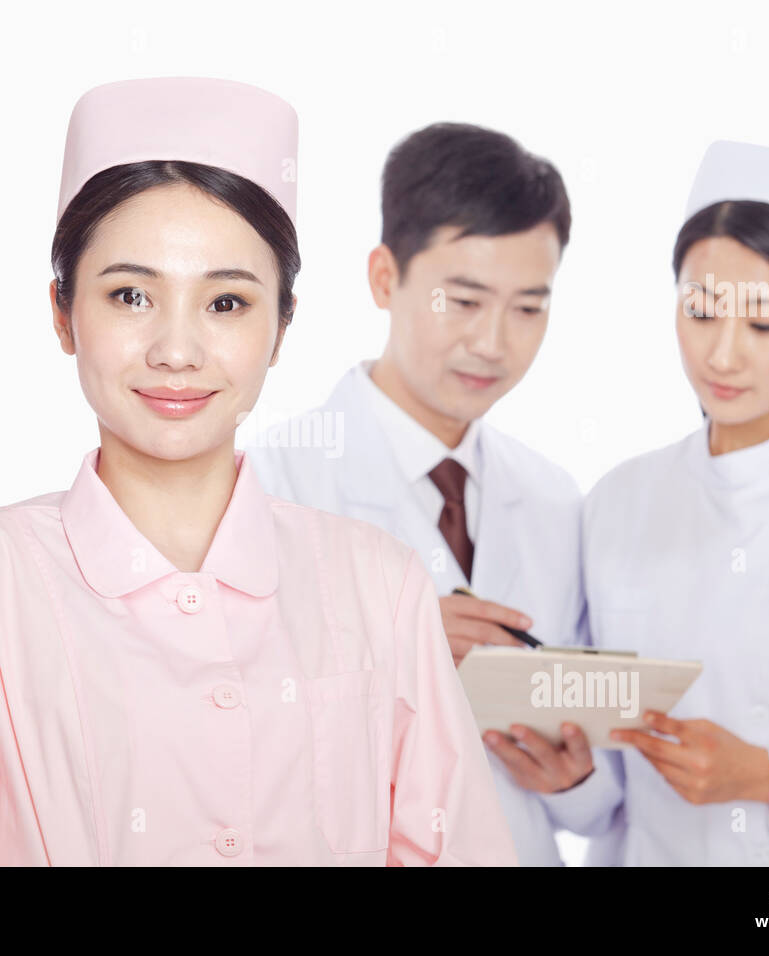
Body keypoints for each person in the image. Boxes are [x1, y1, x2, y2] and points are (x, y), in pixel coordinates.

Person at [0, 77, 514, 866]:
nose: (177, 350)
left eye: (227, 304)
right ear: (63, 313)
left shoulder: (380, 585)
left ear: (282, 327)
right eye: (132, 295)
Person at [506, 140, 769, 865]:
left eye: (765, 323)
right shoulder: (621, 499)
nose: (722, 355)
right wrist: (572, 776)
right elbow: (607, 784)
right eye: (701, 311)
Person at [245, 123, 583, 865]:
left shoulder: (556, 502)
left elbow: (600, 796)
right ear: (384, 278)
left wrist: (574, 777)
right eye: (462, 300)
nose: (494, 342)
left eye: (529, 307)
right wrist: (398, 646)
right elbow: (215, 740)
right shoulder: (268, 480)